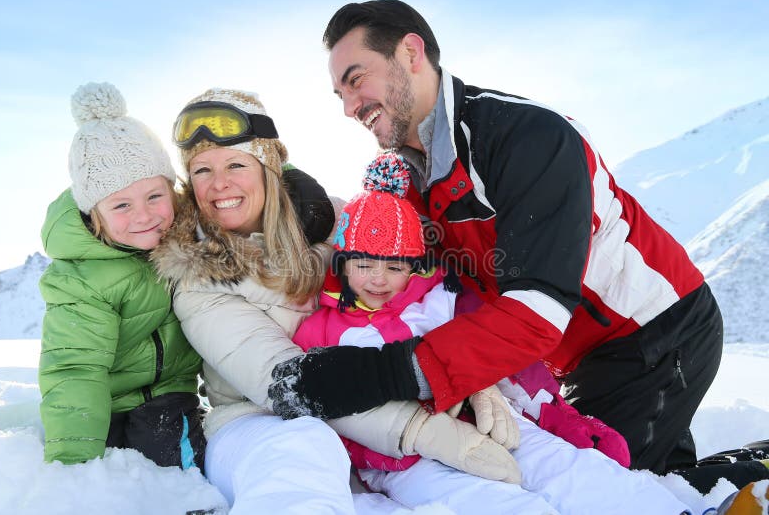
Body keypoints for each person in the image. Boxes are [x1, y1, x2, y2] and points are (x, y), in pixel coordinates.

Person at [269, 0, 769, 491]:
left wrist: (375, 375)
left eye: (356, 80)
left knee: (606, 487)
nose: (349, 108)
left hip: (652, 332)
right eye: (340, 94)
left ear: (411, 52)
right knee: (657, 482)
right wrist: (286, 203)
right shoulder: (410, 178)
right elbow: (374, 244)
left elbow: (536, 309)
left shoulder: (528, 137)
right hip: (575, 351)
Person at [150, 88, 521, 514]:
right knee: (303, 453)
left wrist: (467, 372)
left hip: (383, 402)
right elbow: (286, 383)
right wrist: (420, 429)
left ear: (268, 169)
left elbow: (423, 285)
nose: (219, 184)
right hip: (259, 419)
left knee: (487, 489)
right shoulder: (197, 278)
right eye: (202, 170)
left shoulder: (338, 222)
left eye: (236, 164)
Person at [292, 151, 690, 515]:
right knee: (488, 503)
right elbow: (324, 409)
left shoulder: (442, 299)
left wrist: (553, 413)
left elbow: (509, 364)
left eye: (394, 267)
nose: (378, 279)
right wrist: (373, 455)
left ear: (413, 266)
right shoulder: (320, 331)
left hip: (492, 421)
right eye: (364, 265)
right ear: (342, 262)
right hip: (404, 459)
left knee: (569, 468)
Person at [38, 82, 204, 469]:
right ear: (94, 213)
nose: (143, 216)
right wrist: (73, 466)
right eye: (122, 205)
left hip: (170, 396)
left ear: (173, 192)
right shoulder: (81, 278)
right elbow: (75, 368)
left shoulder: (190, 234)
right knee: (104, 461)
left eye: (154, 197)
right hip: (105, 401)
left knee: (171, 465)